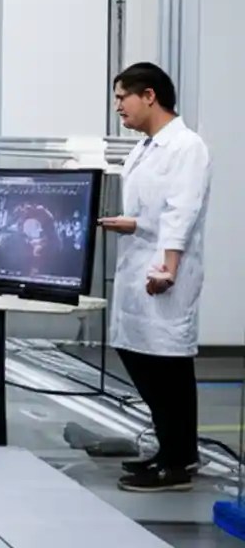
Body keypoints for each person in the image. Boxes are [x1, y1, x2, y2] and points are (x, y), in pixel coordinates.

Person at [98, 61, 211, 493]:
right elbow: (152, 212)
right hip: (139, 262)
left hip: (164, 269)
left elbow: (182, 211)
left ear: (149, 96)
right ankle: (172, 451)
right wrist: (133, 223)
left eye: (122, 97)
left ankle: (178, 462)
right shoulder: (145, 147)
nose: (118, 107)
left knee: (168, 368)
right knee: (140, 356)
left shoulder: (186, 146)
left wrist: (169, 267)